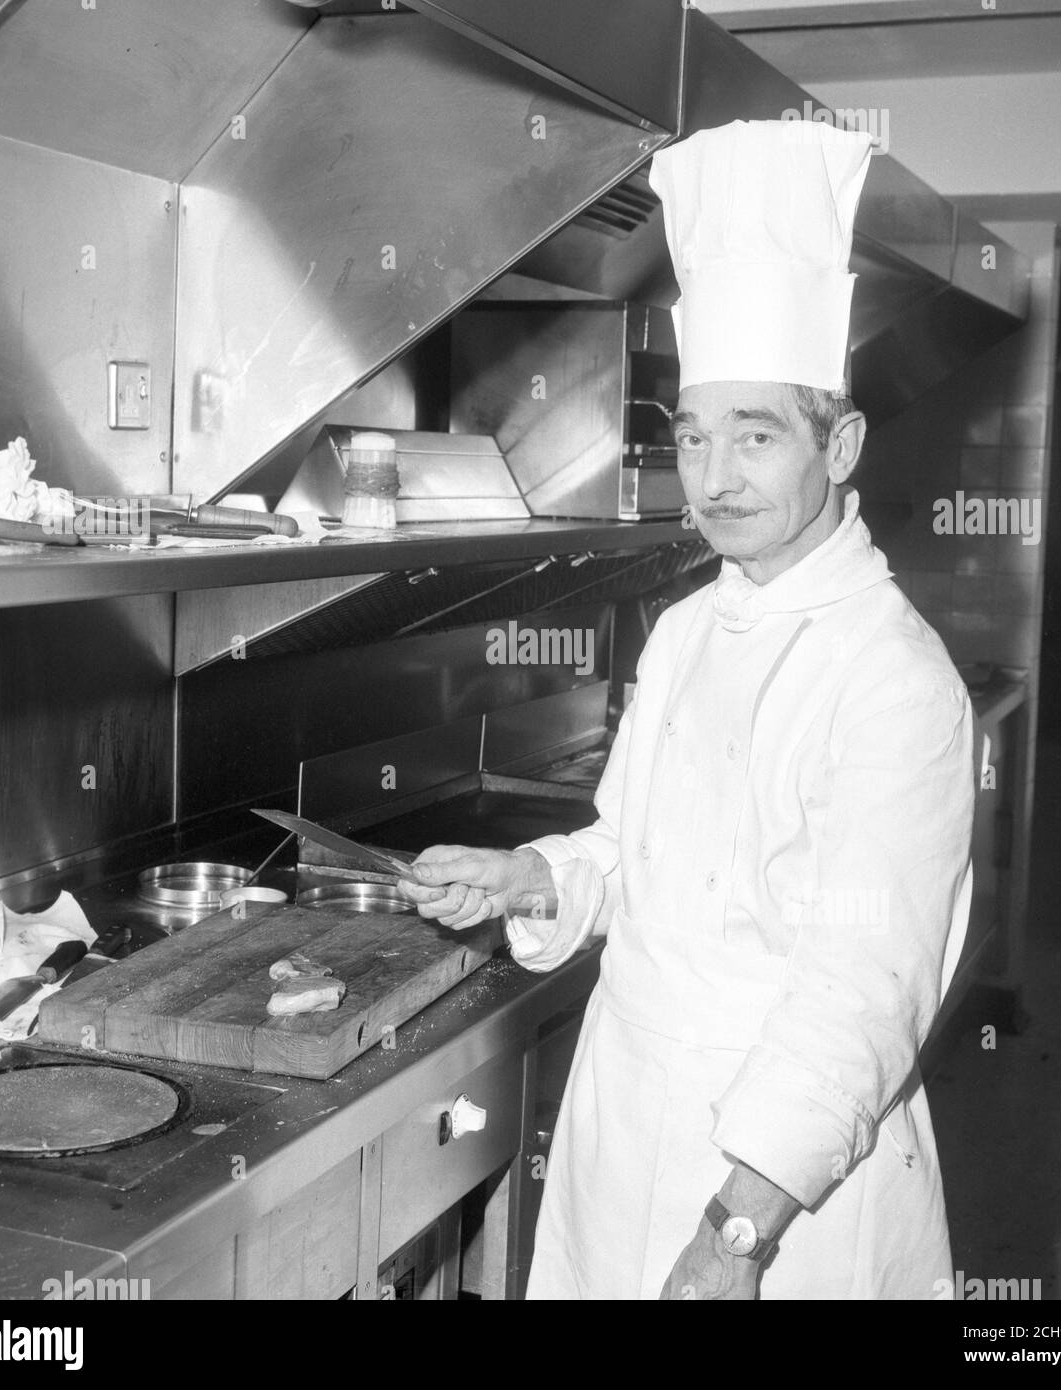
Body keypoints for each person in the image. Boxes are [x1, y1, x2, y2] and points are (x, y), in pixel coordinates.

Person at [397, 119, 975, 1300]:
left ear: (842, 444)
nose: (712, 479)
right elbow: (632, 850)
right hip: (623, 1128)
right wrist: (535, 877)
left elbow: (859, 999)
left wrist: (732, 1240)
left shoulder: (893, 681)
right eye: (693, 436)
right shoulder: (685, 630)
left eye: (754, 436)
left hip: (787, 1184)